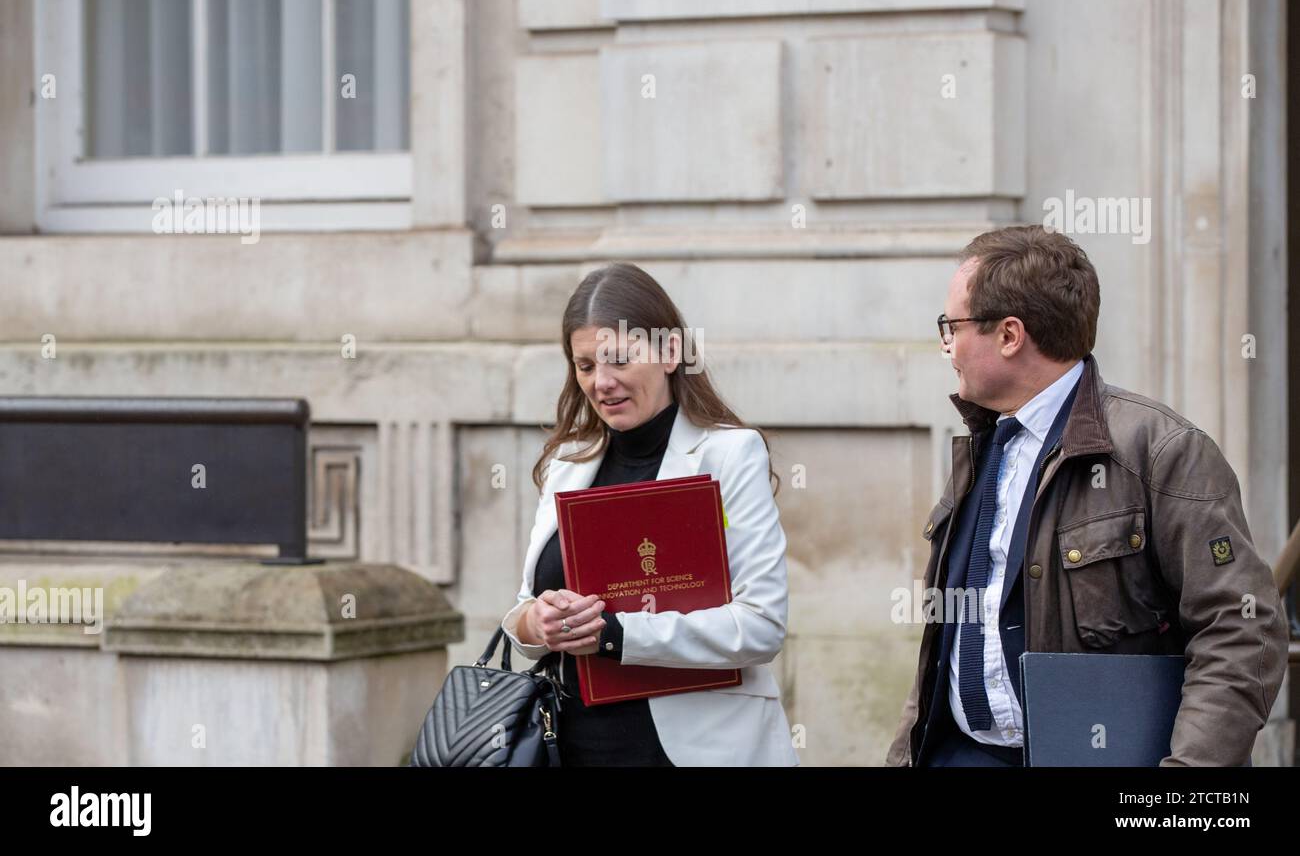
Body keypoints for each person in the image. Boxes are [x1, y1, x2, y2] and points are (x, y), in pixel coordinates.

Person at [887, 225, 1287, 767]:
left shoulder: (1162, 449)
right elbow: (950, 642)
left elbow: (1240, 627)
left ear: (1009, 335)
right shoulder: (983, 446)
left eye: (951, 327)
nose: (946, 346)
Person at [500, 262, 798, 766]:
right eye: (586, 365)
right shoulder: (566, 463)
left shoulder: (729, 455)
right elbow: (526, 607)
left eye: (619, 359)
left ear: (670, 352)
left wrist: (615, 635)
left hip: (695, 750)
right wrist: (536, 624)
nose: (602, 383)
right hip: (571, 748)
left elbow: (762, 624)